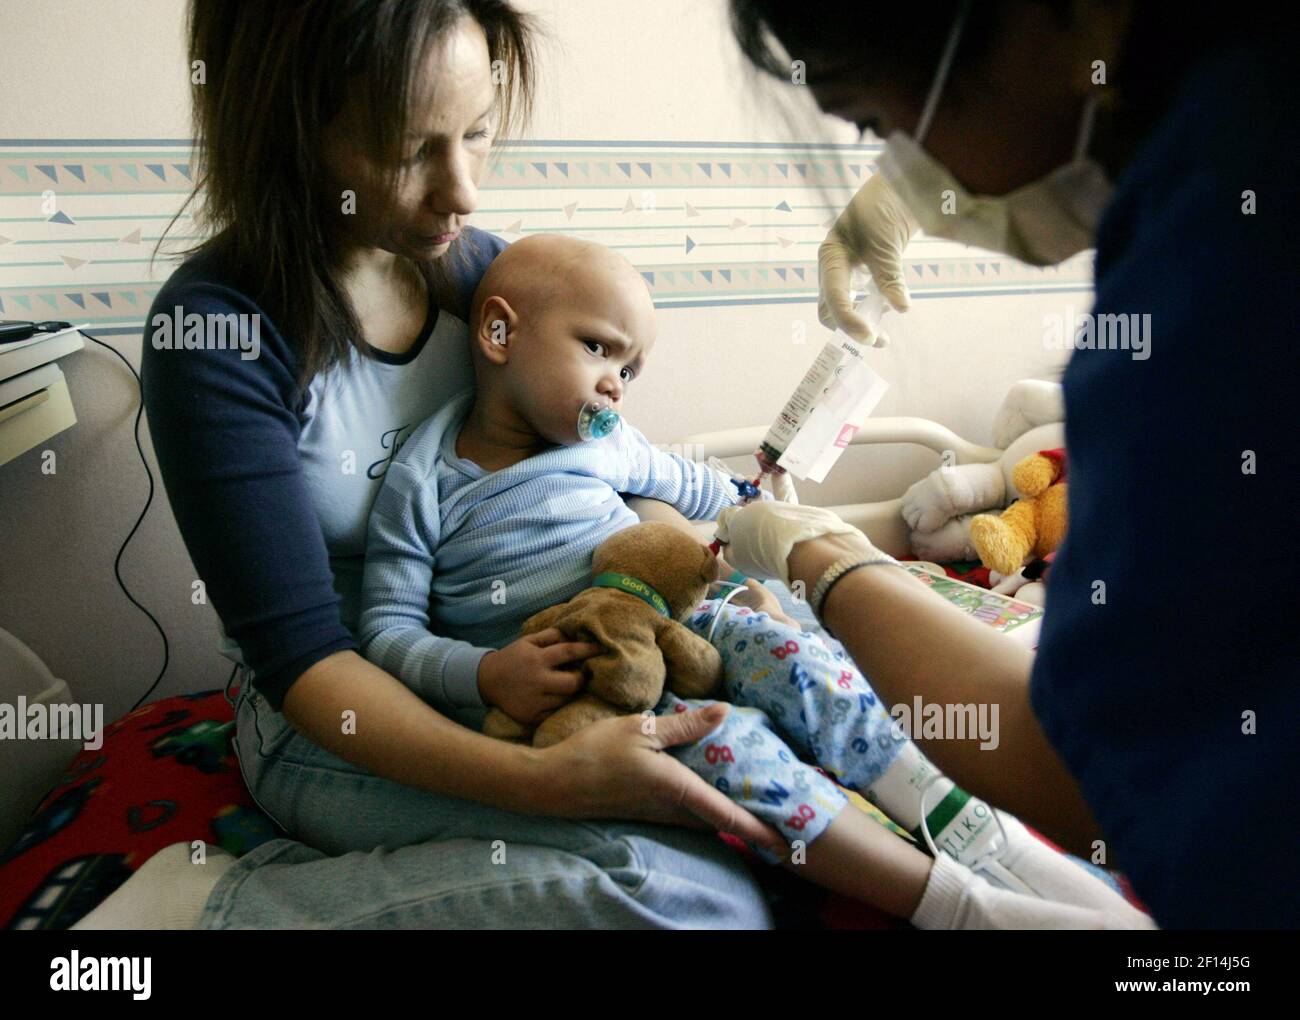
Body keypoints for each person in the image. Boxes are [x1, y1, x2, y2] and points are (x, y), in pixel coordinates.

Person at [135, 0, 785, 930]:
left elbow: (614, 465)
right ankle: (217, 911)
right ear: (288, 128)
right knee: (689, 894)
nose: (464, 191)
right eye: (409, 152)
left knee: (769, 797)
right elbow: (306, 661)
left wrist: (690, 566)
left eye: (477, 133)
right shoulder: (216, 335)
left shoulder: (493, 282)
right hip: (341, 712)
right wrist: (535, 780)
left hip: (533, 656)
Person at [357, 232, 1153, 928]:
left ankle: (970, 824)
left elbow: (697, 483)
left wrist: (754, 503)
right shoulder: (426, 479)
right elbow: (387, 631)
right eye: (599, 349)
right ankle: (953, 905)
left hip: (682, 624)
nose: (617, 386)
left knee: (801, 661)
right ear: (498, 332)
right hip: (590, 683)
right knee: (734, 757)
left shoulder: (611, 444)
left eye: (632, 371)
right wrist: (486, 672)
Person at [724, 0, 1298, 927]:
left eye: (876, 121)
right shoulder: (1241, 114)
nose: (903, 161)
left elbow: (1074, 757)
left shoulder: (1220, 248)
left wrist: (818, 557)